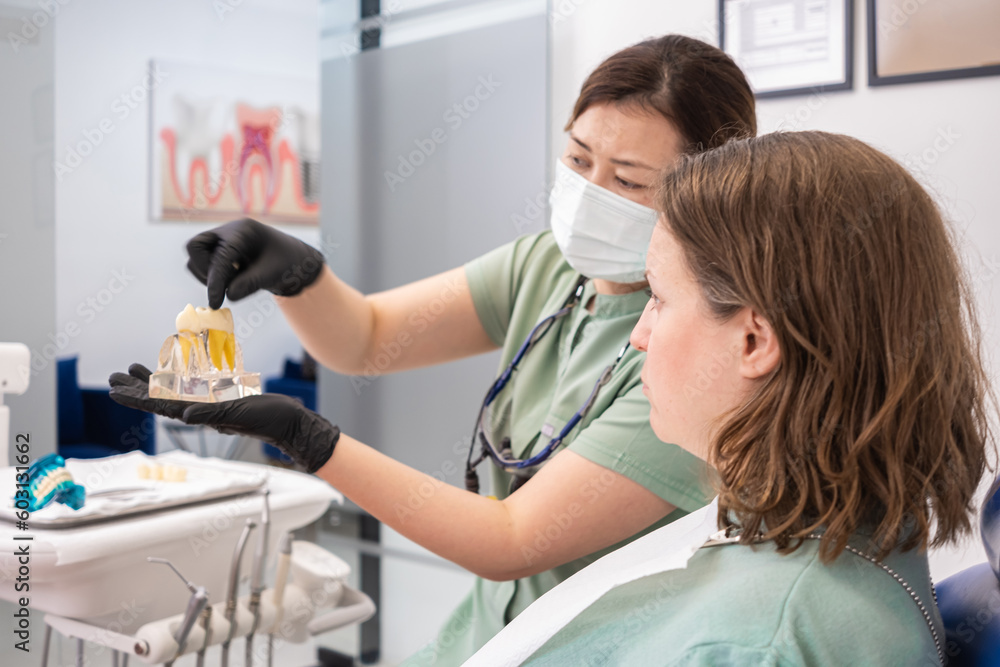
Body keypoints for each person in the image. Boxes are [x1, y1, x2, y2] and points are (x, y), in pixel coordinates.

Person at [109, 35, 756, 664]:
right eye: (580, 159)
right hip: (482, 637)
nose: (590, 191)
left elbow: (512, 539)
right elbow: (366, 338)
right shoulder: (550, 266)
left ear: (707, 192)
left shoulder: (694, 352)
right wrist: (298, 272)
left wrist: (306, 437)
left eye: (629, 180)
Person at [465, 131, 995, 666]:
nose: (638, 335)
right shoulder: (814, 526)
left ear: (753, 342)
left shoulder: (760, 644)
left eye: (658, 297)